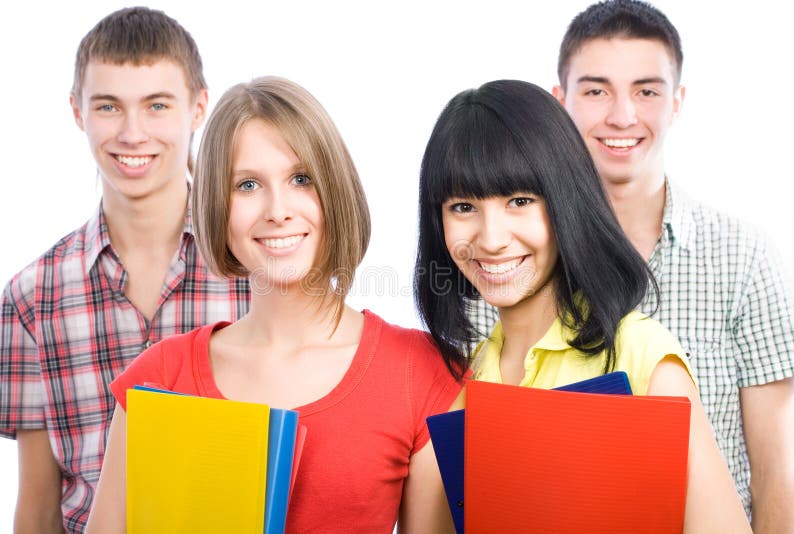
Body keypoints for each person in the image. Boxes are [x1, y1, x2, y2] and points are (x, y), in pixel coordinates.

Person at [467, 1, 794, 529]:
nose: (622, 116)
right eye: (596, 90)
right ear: (561, 101)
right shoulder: (506, 266)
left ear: (677, 102)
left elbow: (778, 474)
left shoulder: (743, 258)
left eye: (646, 90)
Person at [86, 76, 465, 533]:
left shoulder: (422, 374)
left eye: (301, 179)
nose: (277, 209)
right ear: (216, 208)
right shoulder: (159, 379)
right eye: (247, 185)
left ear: (334, 191)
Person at [416, 79, 751, 531]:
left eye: (519, 201)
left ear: (565, 201)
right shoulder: (460, 381)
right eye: (462, 207)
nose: (491, 239)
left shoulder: (641, 358)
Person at [0, 8, 250, 532]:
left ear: (198, 106)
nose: (132, 133)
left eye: (157, 105)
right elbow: (39, 508)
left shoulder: (256, 269)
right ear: (77, 111)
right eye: (109, 106)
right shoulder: (32, 297)